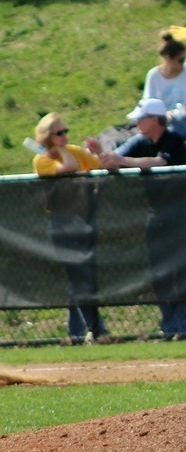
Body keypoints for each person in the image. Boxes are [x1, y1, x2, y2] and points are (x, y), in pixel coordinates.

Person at [99, 98, 186, 339]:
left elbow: (159, 162)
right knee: (158, 273)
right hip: (157, 215)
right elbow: (117, 159)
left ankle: (183, 327)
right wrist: (105, 157)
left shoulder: (173, 139)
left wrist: (121, 161)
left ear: (155, 119)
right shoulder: (140, 141)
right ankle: (169, 325)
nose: (136, 122)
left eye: (141, 118)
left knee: (183, 271)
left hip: (181, 214)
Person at [32, 114, 111, 344]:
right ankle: (96, 331)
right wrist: (59, 150)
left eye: (66, 131)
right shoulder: (42, 160)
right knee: (79, 277)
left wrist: (97, 150)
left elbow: (100, 164)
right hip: (62, 224)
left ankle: (79, 332)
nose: (65, 136)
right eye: (59, 133)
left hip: (84, 219)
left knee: (83, 278)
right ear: (48, 136)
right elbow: (69, 167)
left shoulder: (74, 150)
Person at [143, 32, 186, 139]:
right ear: (168, 58)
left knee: (169, 135)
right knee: (143, 138)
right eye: (180, 60)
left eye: (184, 59)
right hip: (162, 121)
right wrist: (164, 115)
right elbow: (148, 105)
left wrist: (185, 109)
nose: (183, 63)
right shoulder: (153, 75)